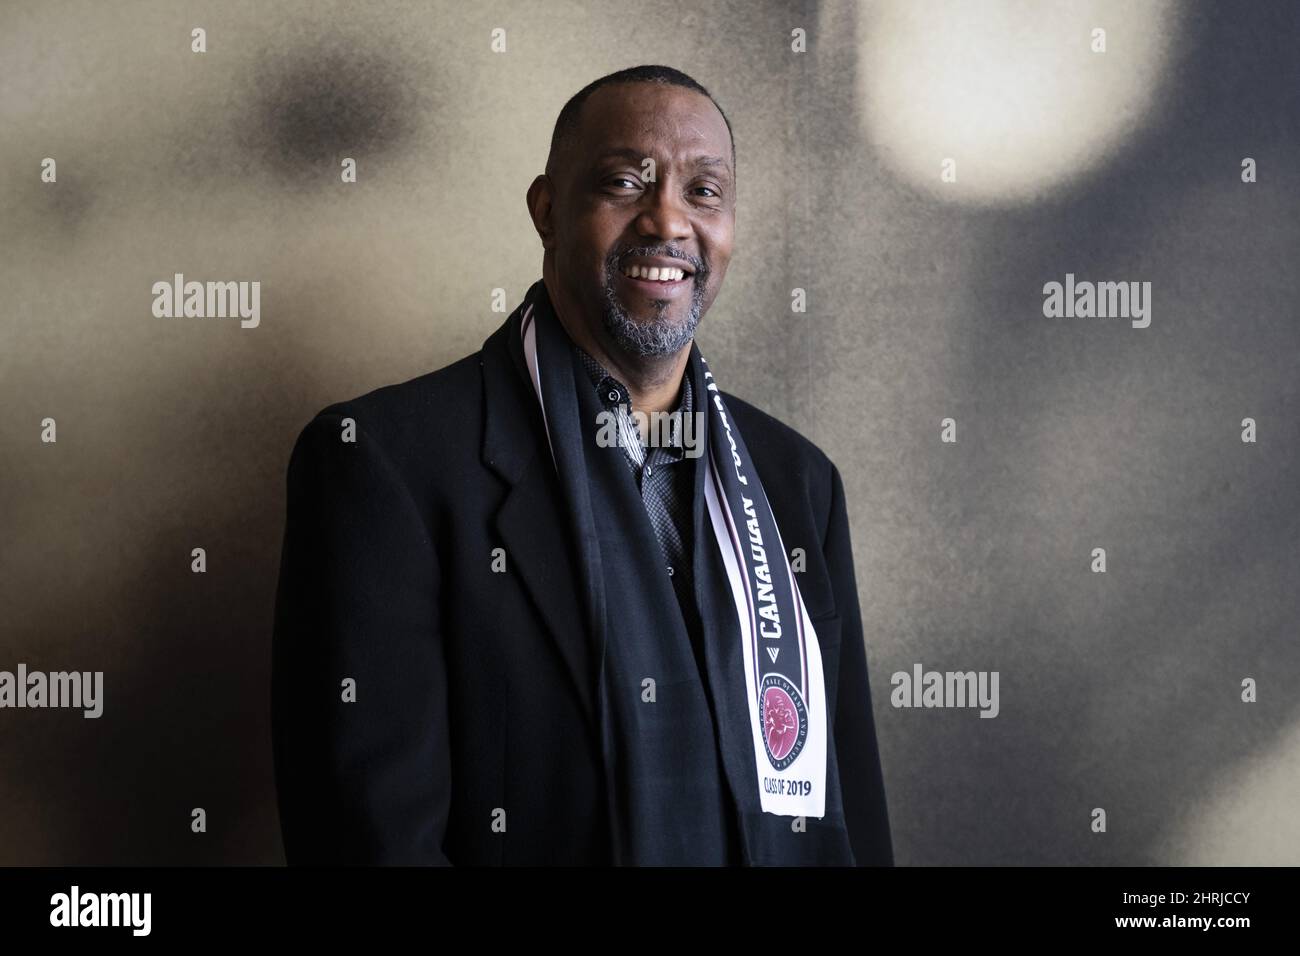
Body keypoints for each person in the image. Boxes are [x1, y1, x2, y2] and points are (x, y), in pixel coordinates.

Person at [271, 64, 893, 866]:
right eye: (626, 182)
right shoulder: (384, 465)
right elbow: (368, 845)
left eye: (704, 192)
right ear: (548, 211)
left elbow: (853, 818)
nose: (667, 220)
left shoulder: (797, 486)